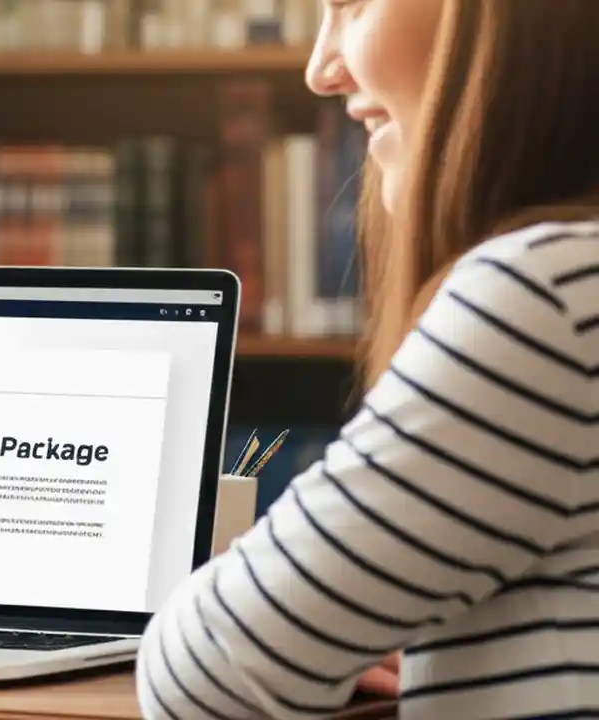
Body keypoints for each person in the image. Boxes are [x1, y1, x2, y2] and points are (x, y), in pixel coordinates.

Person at [137, 1, 599, 717]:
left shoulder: (547, 297)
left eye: (352, 4)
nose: (320, 69)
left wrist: (298, 612)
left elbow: (206, 669)